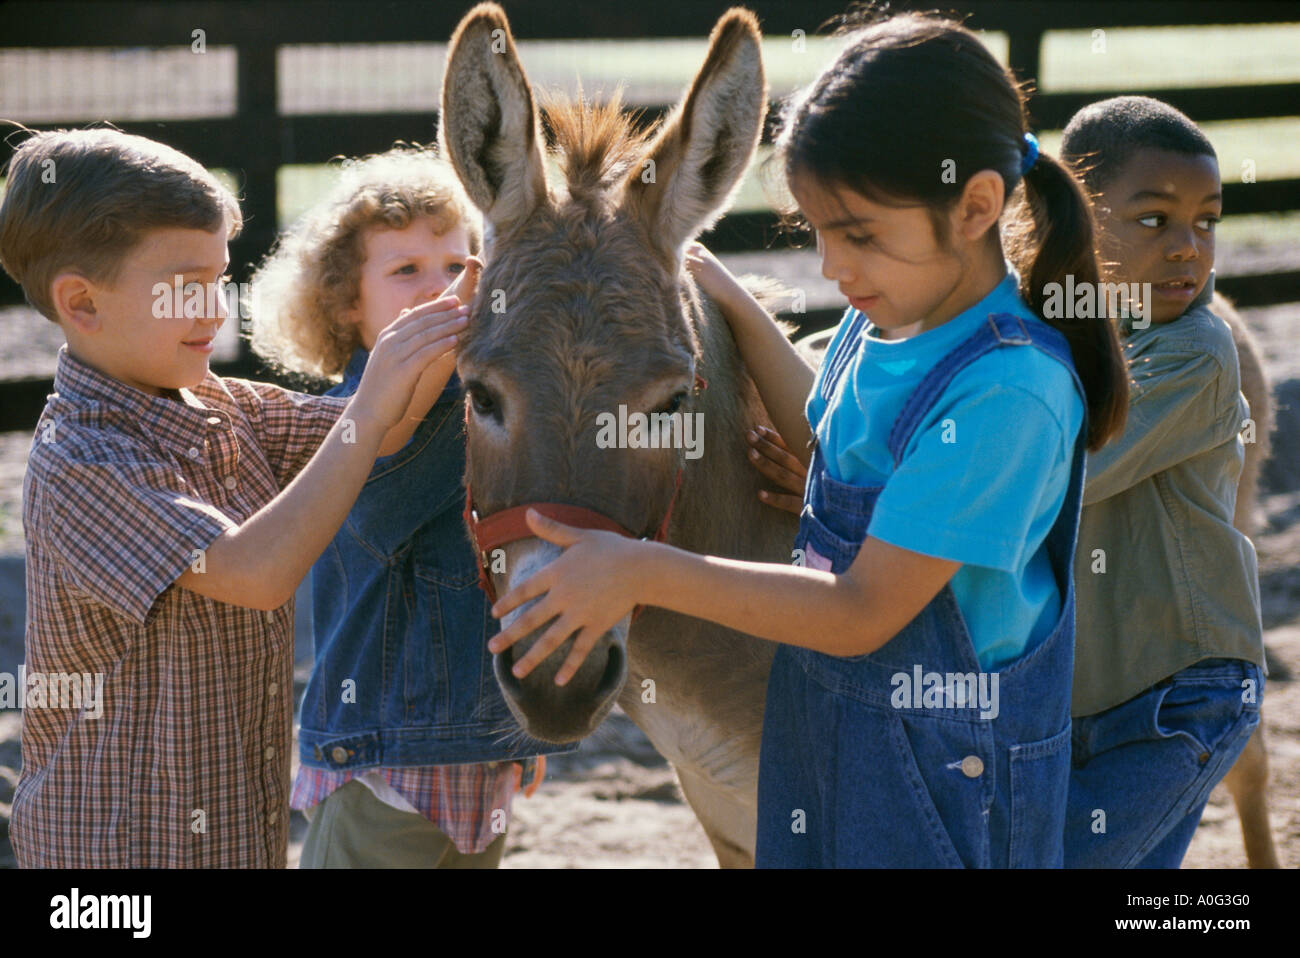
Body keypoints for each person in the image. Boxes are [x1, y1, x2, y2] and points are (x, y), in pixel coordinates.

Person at [485, 9, 1127, 867]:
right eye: (816, 233)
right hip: (837, 742)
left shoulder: (1011, 394)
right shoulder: (887, 321)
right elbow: (830, 432)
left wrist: (639, 569)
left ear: (975, 206)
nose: (831, 269)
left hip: (954, 794)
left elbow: (861, 612)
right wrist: (708, 289)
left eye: (857, 236)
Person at [0, 128, 469, 866]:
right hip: (117, 855)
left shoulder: (225, 405)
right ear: (82, 304)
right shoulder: (81, 460)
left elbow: (386, 431)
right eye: (190, 286)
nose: (217, 308)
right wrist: (372, 405)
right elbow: (255, 573)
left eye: (221, 278)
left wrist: (448, 326)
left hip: (232, 835)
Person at [249, 146, 569, 868]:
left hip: (477, 753)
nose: (442, 291)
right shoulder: (349, 421)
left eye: (459, 268)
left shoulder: (487, 407)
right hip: (382, 761)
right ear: (345, 304)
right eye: (406, 272)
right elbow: (376, 496)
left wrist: (515, 725)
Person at [1057, 96, 1265, 868]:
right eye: (1155, 221)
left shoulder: (1197, 353)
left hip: (1184, 695)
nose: (1189, 248)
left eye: (1206, 221)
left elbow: (1064, 476)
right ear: (1077, 215)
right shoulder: (1066, 330)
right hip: (1088, 702)